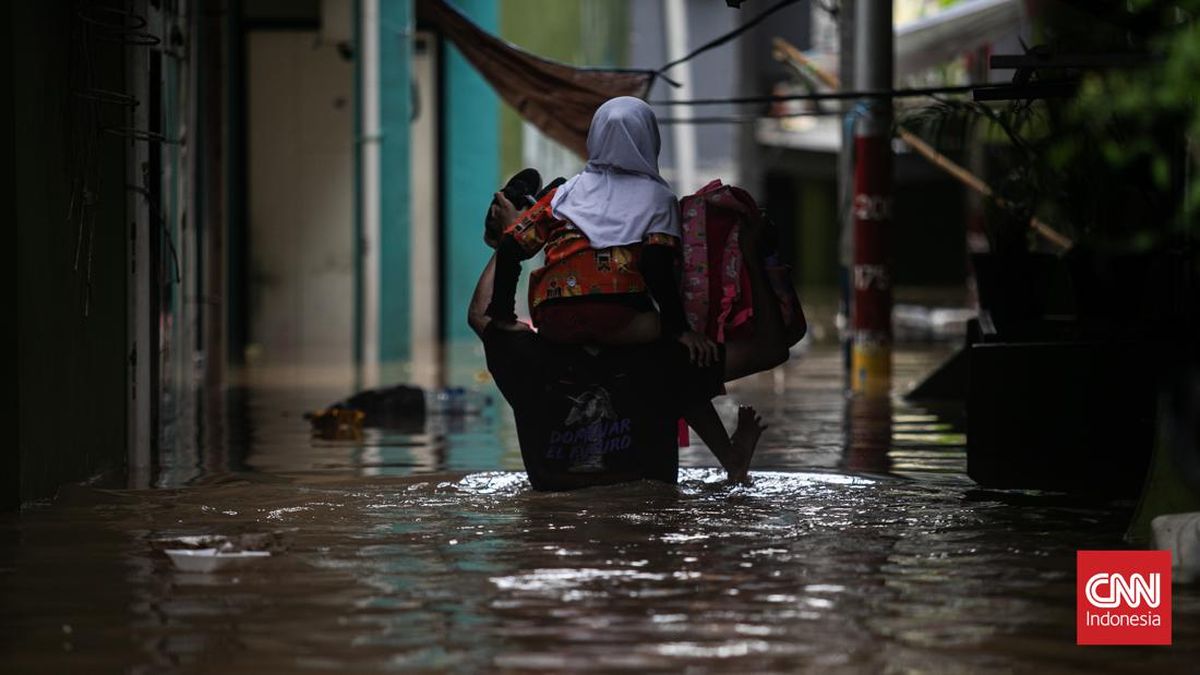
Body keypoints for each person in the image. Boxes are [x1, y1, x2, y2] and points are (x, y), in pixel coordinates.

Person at [469, 210, 802, 491]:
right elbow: (771, 349)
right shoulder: (663, 359)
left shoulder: (528, 361)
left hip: (556, 535)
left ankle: (731, 458)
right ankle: (730, 459)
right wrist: (753, 256)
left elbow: (482, 315)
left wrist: (510, 240)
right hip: (645, 531)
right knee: (687, 389)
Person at [485, 96, 719, 366]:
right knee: (675, 345)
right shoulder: (658, 197)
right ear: (650, 138)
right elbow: (656, 265)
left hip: (554, 322)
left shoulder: (564, 192)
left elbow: (511, 245)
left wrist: (503, 316)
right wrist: (682, 331)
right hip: (621, 320)